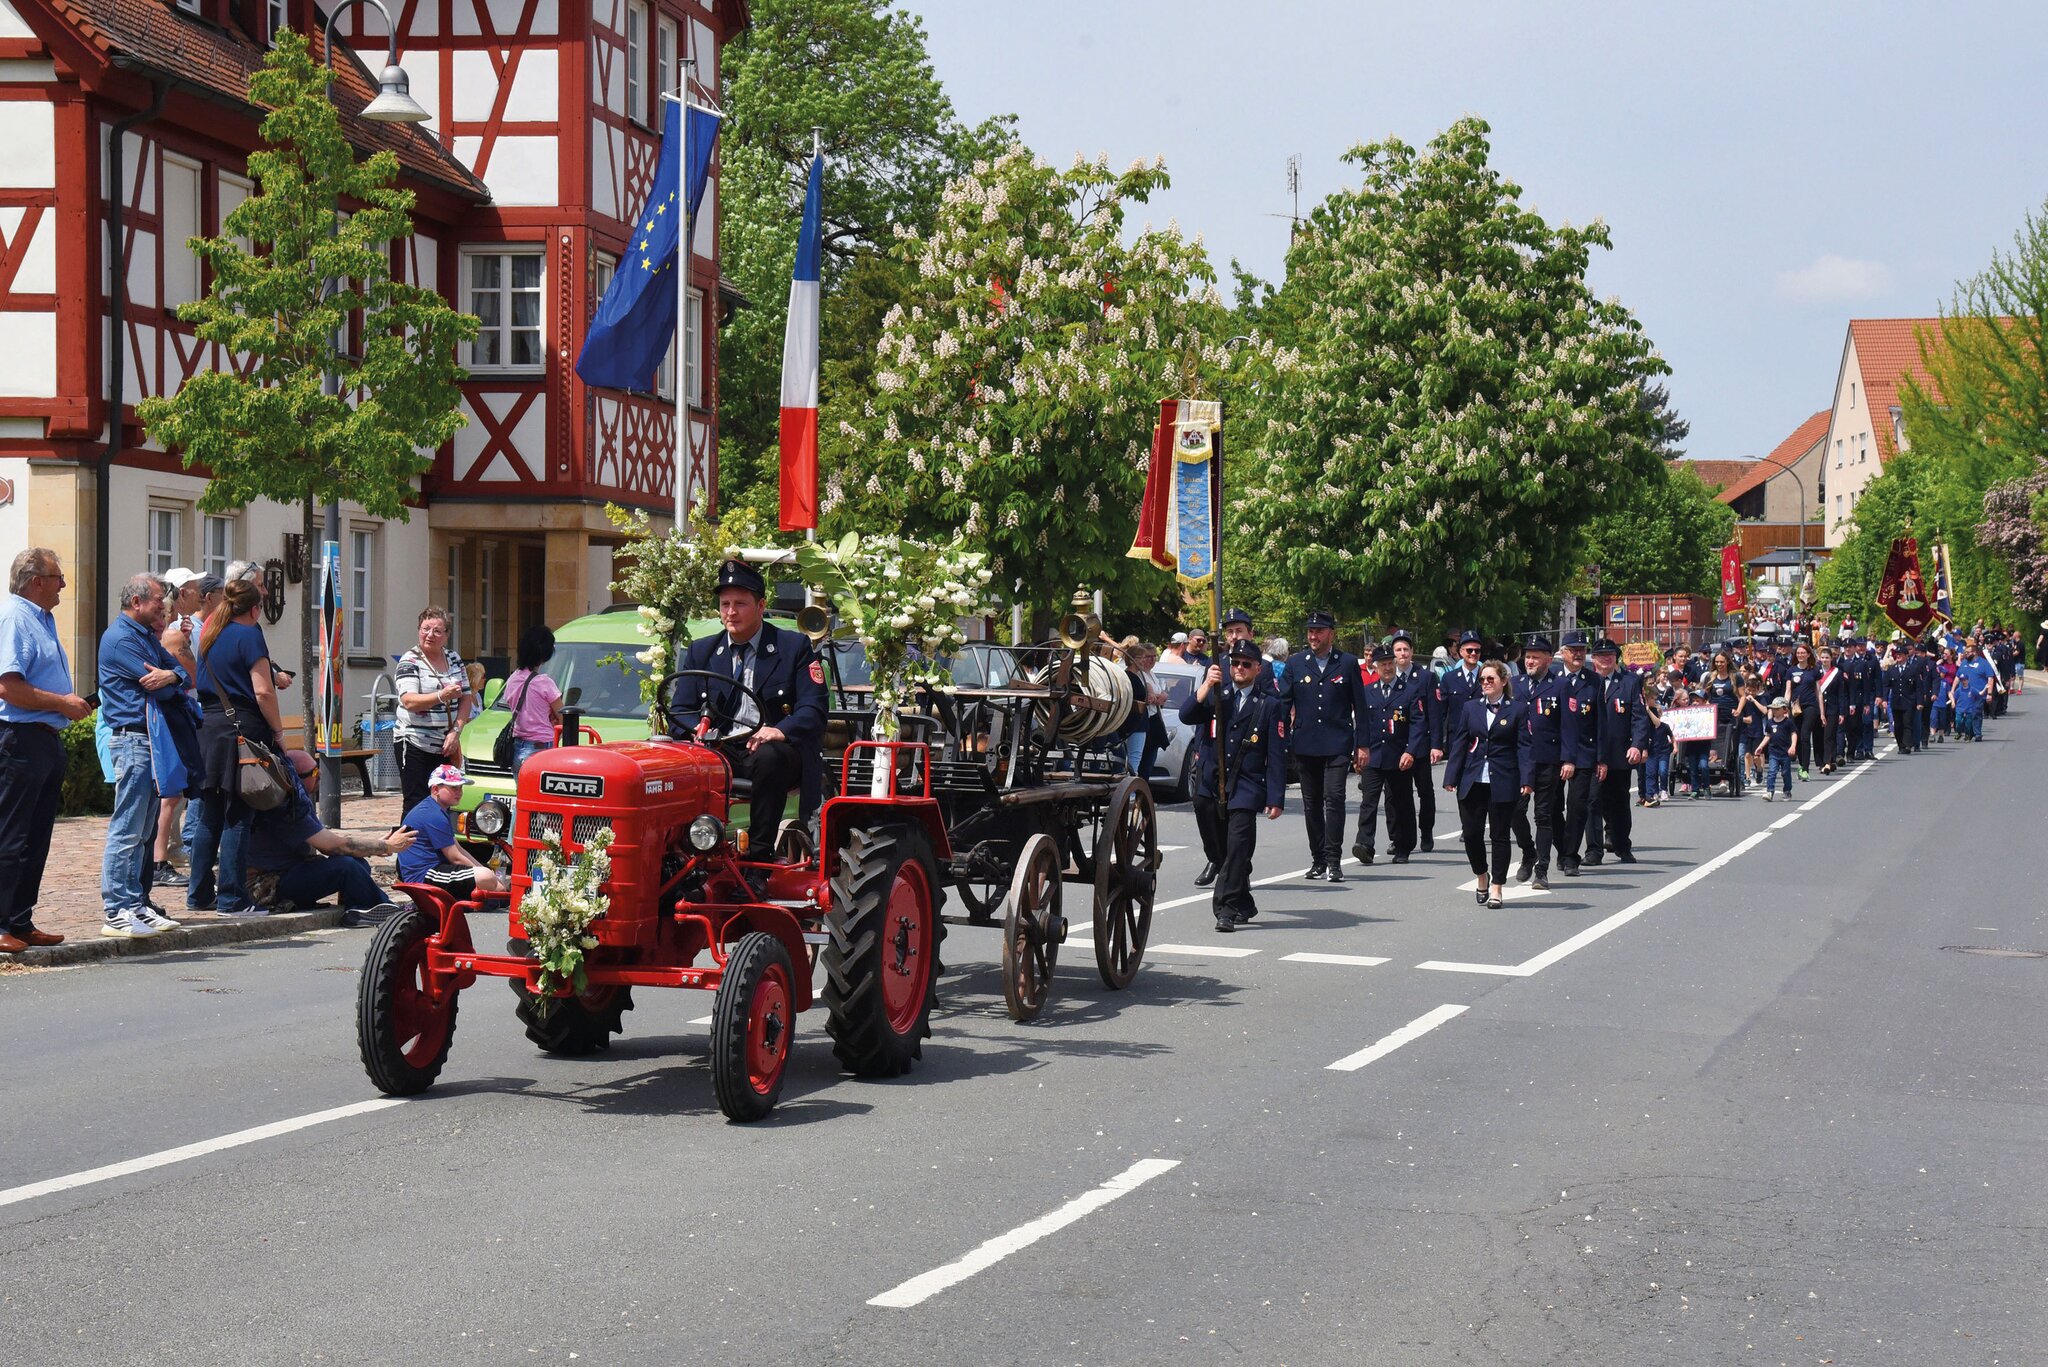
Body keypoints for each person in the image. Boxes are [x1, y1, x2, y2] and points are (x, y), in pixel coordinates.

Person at [671, 559, 828, 852]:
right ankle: (684, 853)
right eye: (725, 604)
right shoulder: (702, 650)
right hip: (717, 750)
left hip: (774, 752)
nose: (731, 612)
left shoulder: (793, 647)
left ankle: (759, 855)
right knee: (666, 764)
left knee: (770, 756)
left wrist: (779, 731)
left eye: (740, 604)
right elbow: (680, 710)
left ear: (761, 605)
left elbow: (814, 709)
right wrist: (697, 731)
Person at [0, 548, 90, 953]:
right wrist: (62, 703)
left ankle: (20, 920)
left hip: (43, 739)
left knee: (36, 837)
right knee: (11, 835)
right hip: (18, 739)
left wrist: (65, 707)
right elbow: (8, 687)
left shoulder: (43, 618)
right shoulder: (15, 618)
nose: (64, 585)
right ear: (37, 581)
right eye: (58, 577)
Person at [96, 574, 189, 937]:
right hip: (133, 740)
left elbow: (181, 675)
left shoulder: (146, 638)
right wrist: (171, 681)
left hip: (151, 740)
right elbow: (164, 691)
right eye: (156, 602)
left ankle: (135, 902)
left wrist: (171, 676)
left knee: (144, 830)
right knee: (128, 828)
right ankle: (116, 907)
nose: (163, 609)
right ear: (136, 602)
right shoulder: (121, 639)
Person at [191, 578, 287, 917]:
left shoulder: (210, 633)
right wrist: (278, 731)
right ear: (256, 608)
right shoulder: (250, 635)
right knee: (239, 815)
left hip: (210, 729)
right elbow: (262, 691)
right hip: (240, 730)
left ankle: (199, 893)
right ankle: (232, 898)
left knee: (210, 817)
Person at [1178, 638, 1285, 933]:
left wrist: (1275, 797)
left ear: (1257, 669)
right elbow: (1187, 715)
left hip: (1247, 784)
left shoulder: (1268, 704)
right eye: (1235, 663)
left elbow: (1276, 755)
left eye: (1245, 664)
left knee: (1238, 848)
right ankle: (1244, 901)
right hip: (1211, 780)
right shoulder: (1218, 694)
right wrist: (1204, 688)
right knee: (1219, 847)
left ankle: (1224, 909)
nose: (1239, 668)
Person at [248, 749, 414, 921]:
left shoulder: (295, 802)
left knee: (359, 863)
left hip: (289, 872)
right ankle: (389, 912)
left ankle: (356, 907)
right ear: (296, 777)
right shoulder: (287, 809)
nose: (319, 775)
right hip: (268, 886)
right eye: (313, 772)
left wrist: (373, 846)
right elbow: (335, 847)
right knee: (346, 866)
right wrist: (387, 846)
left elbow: (329, 838)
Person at [1280, 610, 1367, 882]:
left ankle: (1333, 860)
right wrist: (1278, 740)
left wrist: (1362, 745)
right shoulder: (1295, 663)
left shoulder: (1347, 662)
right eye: (1310, 631)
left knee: (1335, 798)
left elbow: (1360, 708)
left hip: (1337, 742)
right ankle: (1318, 859)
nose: (1313, 636)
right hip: (1306, 744)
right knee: (1311, 803)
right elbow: (1283, 703)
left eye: (1318, 631)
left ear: (1331, 633)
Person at [1443, 660, 1526, 908]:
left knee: (1500, 835)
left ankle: (1498, 887)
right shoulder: (1470, 708)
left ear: (1503, 681)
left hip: (1503, 780)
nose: (1486, 683)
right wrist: (1451, 776)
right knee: (1471, 834)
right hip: (1473, 779)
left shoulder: (1518, 710)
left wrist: (1527, 780)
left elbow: (1524, 747)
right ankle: (1482, 875)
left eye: (1491, 678)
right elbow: (1459, 742)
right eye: (1482, 679)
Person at [1353, 642, 1427, 866]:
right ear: (1374, 667)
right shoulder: (1367, 693)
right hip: (1373, 755)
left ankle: (1404, 845)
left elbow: (1417, 724)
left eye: (1389, 663)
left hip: (1399, 756)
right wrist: (1357, 750)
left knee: (1400, 802)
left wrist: (1411, 752)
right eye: (1382, 664)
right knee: (1369, 800)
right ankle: (1364, 843)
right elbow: (1360, 725)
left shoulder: (1409, 691)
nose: (1387, 668)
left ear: (1395, 664)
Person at [394, 607, 471, 815]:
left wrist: (456, 731)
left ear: (446, 635)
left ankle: (438, 846)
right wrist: (441, 696)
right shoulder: (410, 661)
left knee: (443, 800)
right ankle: (409, 846)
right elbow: (408, 700)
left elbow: (466, 697)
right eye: (425, 629)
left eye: (437, 631)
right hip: (414, 742)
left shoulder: (454, 658)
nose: (430, 635)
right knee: (417, 803)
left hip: (445, 744)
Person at [396, 764, 506, 898]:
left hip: (434, 870)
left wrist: (488, 874)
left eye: (460, 787)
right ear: (435, 789)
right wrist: (490, 878)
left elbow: (458, 848)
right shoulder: (433, 814)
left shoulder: (437, 809)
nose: (459, 792)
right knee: (485, 876)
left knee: (486, 874)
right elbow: (455, 857)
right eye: (453, 788)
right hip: (425, 875)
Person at [1586, 638, 1647, 865]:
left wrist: (1637, 745)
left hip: (1619, 753)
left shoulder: (1629, 683)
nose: (1606, 658)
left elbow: (1639, 718)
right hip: (1591, 754)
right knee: (1592, 801)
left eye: (1610, 654)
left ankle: (1622, 845)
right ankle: (1593, 850)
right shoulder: (1586, 682)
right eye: (1601, 655)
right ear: (1594, 658)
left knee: (1619, 802)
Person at [1508, 637, 1562, 888]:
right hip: (1518, 761)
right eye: (1527, 656)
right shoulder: (1514, 684)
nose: (1530, 660)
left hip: (1546, 759)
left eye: (1536, 656)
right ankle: (1527, 851)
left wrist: (1568, 759)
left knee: (1543, 814)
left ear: (1548, 660)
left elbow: (1569, 727)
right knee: (1514, 811)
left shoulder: (1559, 686)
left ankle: (1541, 868)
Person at [1552, 631, 1603, 876]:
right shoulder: (1551, 678)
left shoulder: (1594, 681)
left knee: (1577, 806)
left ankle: (1571, 856)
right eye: (1573, 650)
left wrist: (1600, 758)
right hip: (1555, 751)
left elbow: (1601, 722)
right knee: (1551, 807)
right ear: (1563, 652)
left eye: (1582, 649)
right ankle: (1562, 848)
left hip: (1584, 751)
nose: (1579, 654)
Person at [1388, 631, 1439, 853]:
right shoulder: (1388, 676)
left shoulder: (1425, 677)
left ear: (1412, 652)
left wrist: (1437, 744)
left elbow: (1435, 714)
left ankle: (1426, 830)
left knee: (1425, 790)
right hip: (1395, 745)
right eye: (1398, 650)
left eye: (1406, 649)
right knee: (1394, 793)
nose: (1402, 654)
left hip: (1420, 744)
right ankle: (1397, 836)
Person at [500, 625, 565, 771]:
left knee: (522, 792)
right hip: (542, 747)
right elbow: (563, 719)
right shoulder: (544, 683)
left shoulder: (512, 679)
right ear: (545, 654)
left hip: (517, 747)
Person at [1785, 641, 1822, 780]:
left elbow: (1818, 692)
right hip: (1795, 707)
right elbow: (1788, 691)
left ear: (1808, 655)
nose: (1800, 655)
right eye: (1798, 653)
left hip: (1810, 706)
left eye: (1803, 653)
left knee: (1806, 735)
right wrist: (1784, 706)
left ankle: (1805, 768)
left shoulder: (1814, 670)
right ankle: (1801, 765)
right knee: (1798, 736)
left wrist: (1822, 712)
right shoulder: (1791, 670)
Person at [1950, 640, 1996, 741]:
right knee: (1964, 715)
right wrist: (1953, 689)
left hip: (1978, 694)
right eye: (1965, 652)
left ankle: (1977, 733)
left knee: (1976, 713)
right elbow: (1957, 677)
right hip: (1964, 694)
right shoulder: (1964, 663)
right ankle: (1969, 732)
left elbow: (1990, 678)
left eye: (1968, 652)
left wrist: (1989, 693)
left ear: (1974, 652)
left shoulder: (1983, 663)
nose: (1965, 654)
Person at [1756, 696, 1797, 800]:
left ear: (1785, 709)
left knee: (1785, 773)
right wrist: (1760, 746)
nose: (1774, 711)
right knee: (1771, 772)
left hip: (1785, 753)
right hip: (1774, 752)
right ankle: (1770, 791)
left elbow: (1794, 734)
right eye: (1773, 708)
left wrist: (1793, 746)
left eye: (1777, 709)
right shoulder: (1770, 722)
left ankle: (1787, 790)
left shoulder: (1788, 722)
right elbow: (1768, 736)